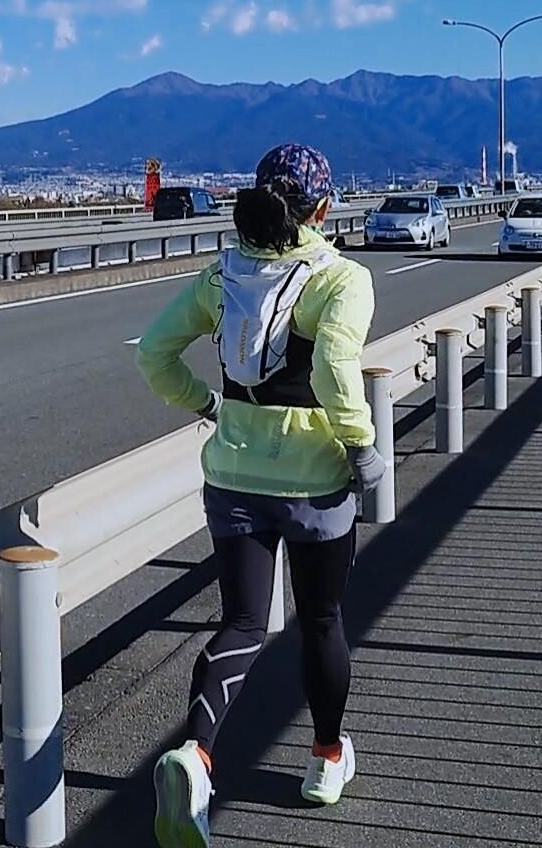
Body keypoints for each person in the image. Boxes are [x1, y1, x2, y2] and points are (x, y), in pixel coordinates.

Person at [135, 143, 384, 846]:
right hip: (314, 481)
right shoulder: (339, 278)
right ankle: (326, 760)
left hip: (234, 477)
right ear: (323, 209)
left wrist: (209, 406)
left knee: (243, 622)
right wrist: (362, 447)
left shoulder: (222, 276)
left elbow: (153, 352)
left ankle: (197, 755)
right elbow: (335, 369)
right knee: (321, 622)